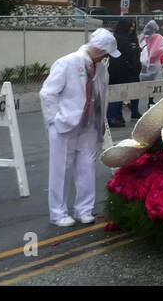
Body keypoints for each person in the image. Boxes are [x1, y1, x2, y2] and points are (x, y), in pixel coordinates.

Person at [40, 27, 118, 227]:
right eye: (106, 54)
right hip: (65, 125)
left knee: (87, 167)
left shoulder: (101, 68)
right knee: (61, 170)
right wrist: (54, 121)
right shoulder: (67, 62)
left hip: (90, 126)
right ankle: (58, 213)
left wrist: (100, 124)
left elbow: (102, 96)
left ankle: (84, 209)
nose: (106, 58)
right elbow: (48, 93)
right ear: (99, 51)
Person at [107, 18, 142, 128]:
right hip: (119, 70)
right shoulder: (120, 38)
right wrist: (136, 50)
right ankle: (112, 117)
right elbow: (127, 53)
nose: (132, 28)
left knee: (120, 95)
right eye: (130, 26)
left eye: (133, 26)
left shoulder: (127, 38)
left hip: (128, 70)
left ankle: (117, 116)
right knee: (117, 94)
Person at [140, 20, 163, 98]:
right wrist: (162, 62)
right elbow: (162, 51)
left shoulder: (143, 37)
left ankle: (147, 96)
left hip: (145, 64)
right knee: (154, 83)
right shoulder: (158, 37)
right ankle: (150, 99)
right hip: (154, 64)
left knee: (147, 82)